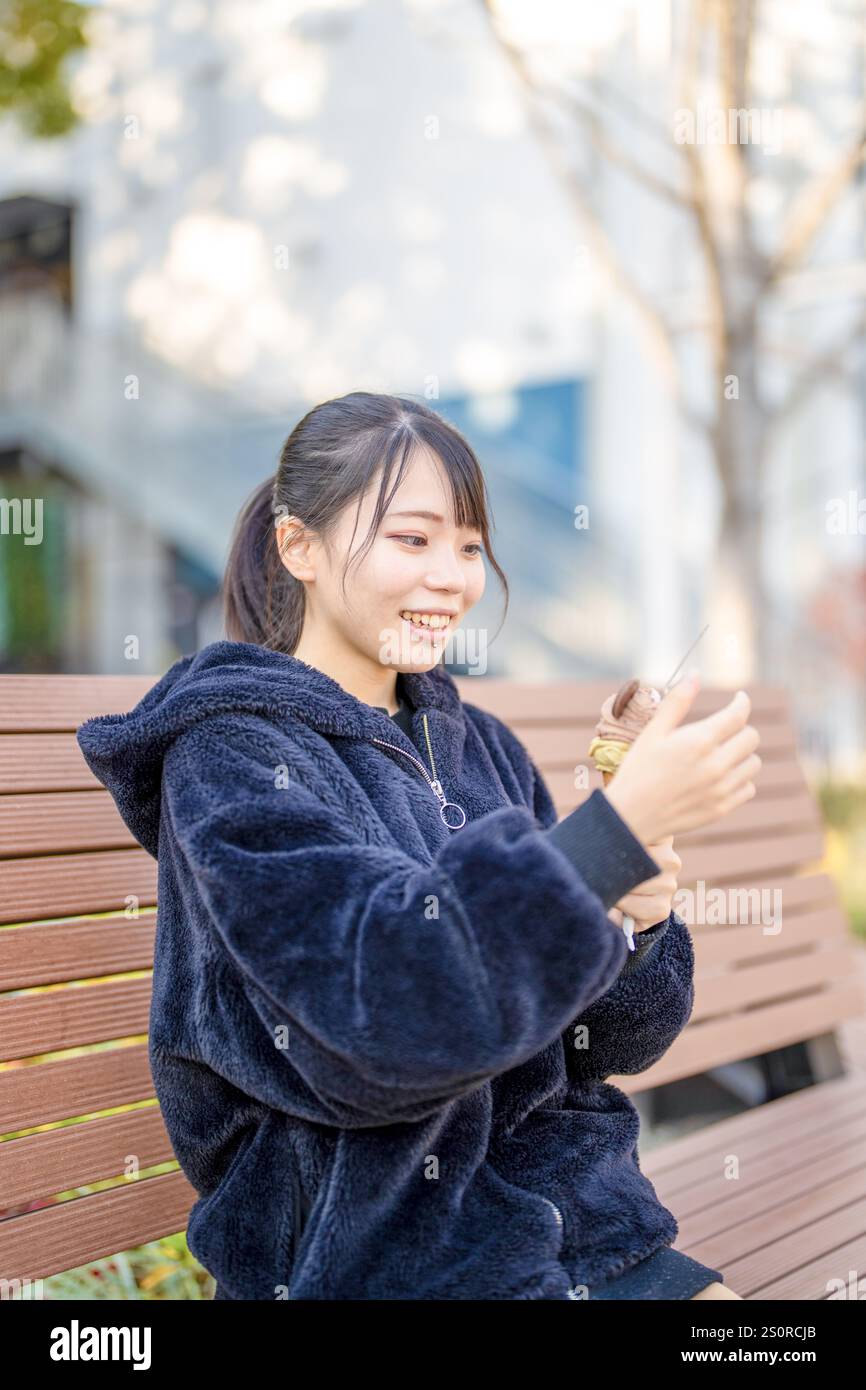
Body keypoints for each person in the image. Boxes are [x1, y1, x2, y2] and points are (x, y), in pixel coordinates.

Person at [77, 391, 758, 1301]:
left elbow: (613, 1044)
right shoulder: (232, 756)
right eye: (413, 540)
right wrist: (605, 840)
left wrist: (638, 903)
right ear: (299, 547)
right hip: (384, 1257)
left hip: (582, 1229)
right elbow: (385, 1031)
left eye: (470, 547)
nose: (453, 577)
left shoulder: (483, 748)